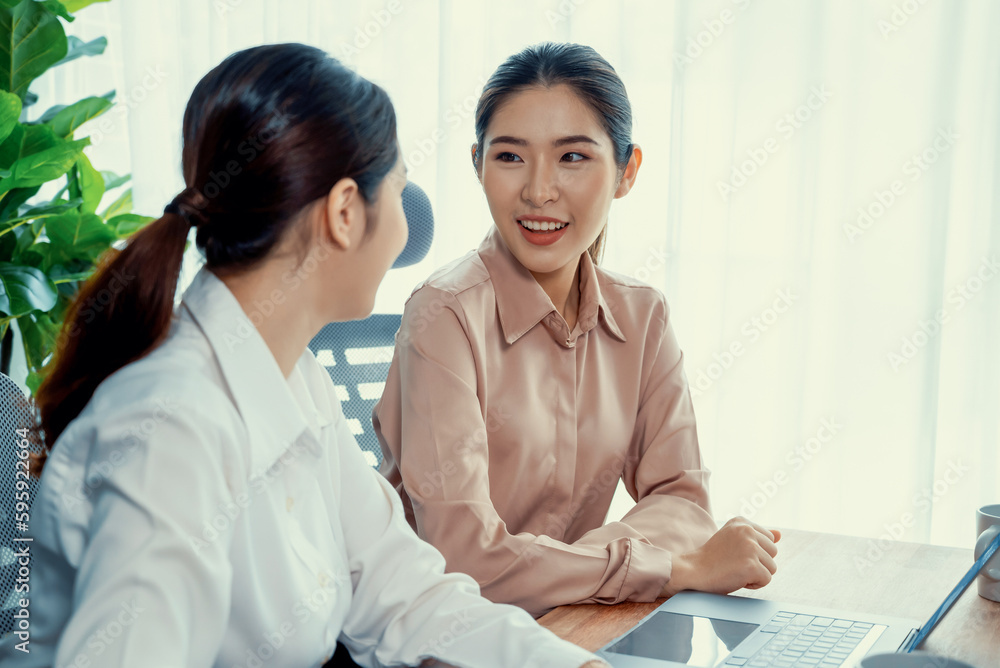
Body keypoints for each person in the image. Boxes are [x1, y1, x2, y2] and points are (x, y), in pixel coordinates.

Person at [0, 44, 605, 668]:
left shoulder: (296, 380)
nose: (405, 230)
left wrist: (573, 664)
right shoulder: (171, 430)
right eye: (398, 190)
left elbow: (402, 593)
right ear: (344, 213)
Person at [374, 42, 781, 619]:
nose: (538, 191)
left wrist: (567, 570)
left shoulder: (642, 317)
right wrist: (670, 568)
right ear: (478, 165)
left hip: (574, 622)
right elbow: (465, 562)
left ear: (626, 172)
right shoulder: (444, 315)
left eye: (572, 157)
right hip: (445, 639)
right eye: (509, 156)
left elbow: (683, 504)